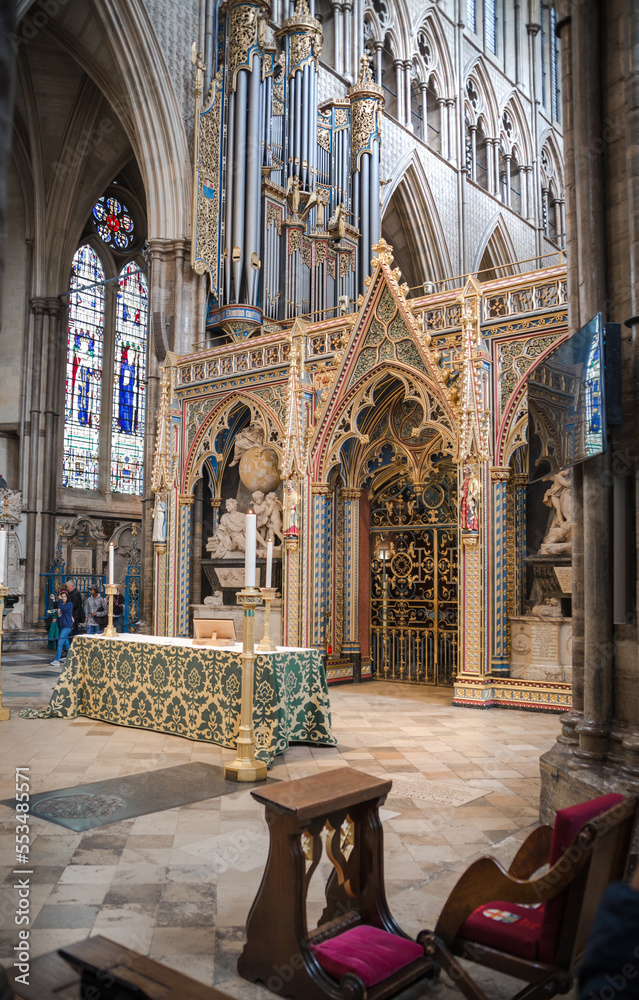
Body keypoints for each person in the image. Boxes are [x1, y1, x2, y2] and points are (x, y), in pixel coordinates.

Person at [50, 590, 73, 667]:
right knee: (66, 643)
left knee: (60, 642)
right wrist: (54, 599)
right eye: (62, 597)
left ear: (67, 597)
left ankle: (56, 660)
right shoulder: (60, 604)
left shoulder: (69, 604)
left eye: (64, 596)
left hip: (67, 626)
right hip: (61, 625)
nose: (63, 598)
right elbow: (56, 607)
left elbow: (62, 608)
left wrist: (59, 600)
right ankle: (72, 656)